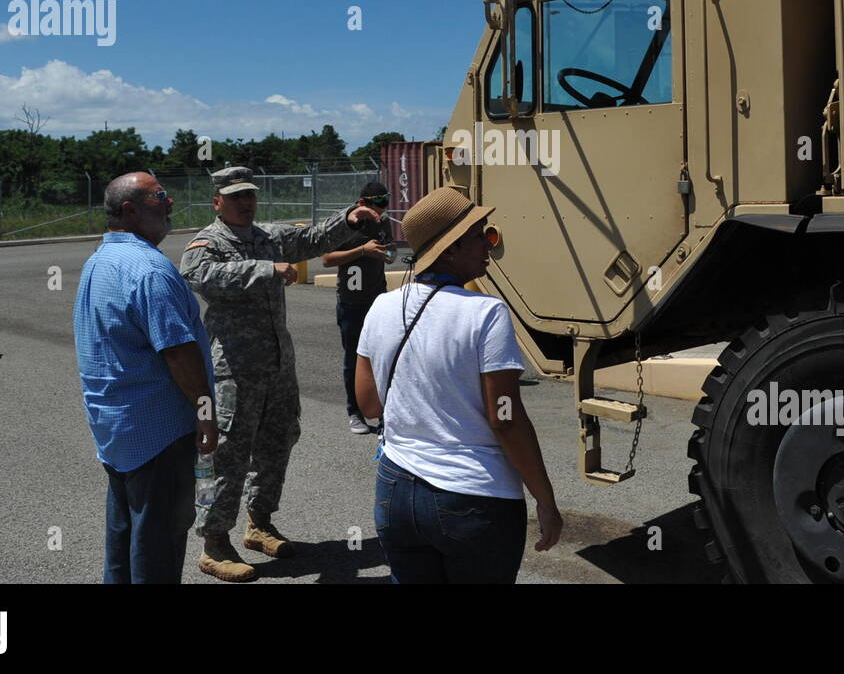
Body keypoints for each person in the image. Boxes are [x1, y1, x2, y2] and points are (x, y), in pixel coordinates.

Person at [180, 166, 381, 582]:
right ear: (217, 201)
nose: (246, 202)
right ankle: (214, 543)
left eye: (249, 195)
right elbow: (197, 275)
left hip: (277, 365)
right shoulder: (209, 242)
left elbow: (313, 239)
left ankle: (259, 524)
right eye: (236, 197)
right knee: (227, 456)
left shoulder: (268, 235)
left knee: (277, 444)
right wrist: (264, 269)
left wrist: (348, 219)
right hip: (233, 368)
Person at [355, 186, 563, 583]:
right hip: (473, 498)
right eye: (479, 234)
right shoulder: (485, 313)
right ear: (448, 249)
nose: (490, 243)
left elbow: (369, 405)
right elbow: (504, 418)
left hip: (395, 490)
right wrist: (546, 499)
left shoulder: (381, 306)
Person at [74, 172, 218, 584]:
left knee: (124, 535)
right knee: (158, 541)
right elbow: (177, 350)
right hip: (158, 432)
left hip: (118, 429)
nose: (170, 203)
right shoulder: (150, 270)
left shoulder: (100, 260)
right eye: (160, 197)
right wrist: (206, 414)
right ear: (130, 210)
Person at [322, 180, 393, 434]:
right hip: (352, 301)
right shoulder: (347, 224)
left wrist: (388, 253)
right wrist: (362, 250)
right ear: (362, 203)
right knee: (353, 358)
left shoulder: (383, 222)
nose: (384, 208)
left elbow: (388, 248)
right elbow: (327, 259)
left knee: (382, 356)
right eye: (379, 203)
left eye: (387, 201)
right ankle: (355, 412)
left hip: (378, 299)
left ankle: (383, 411)